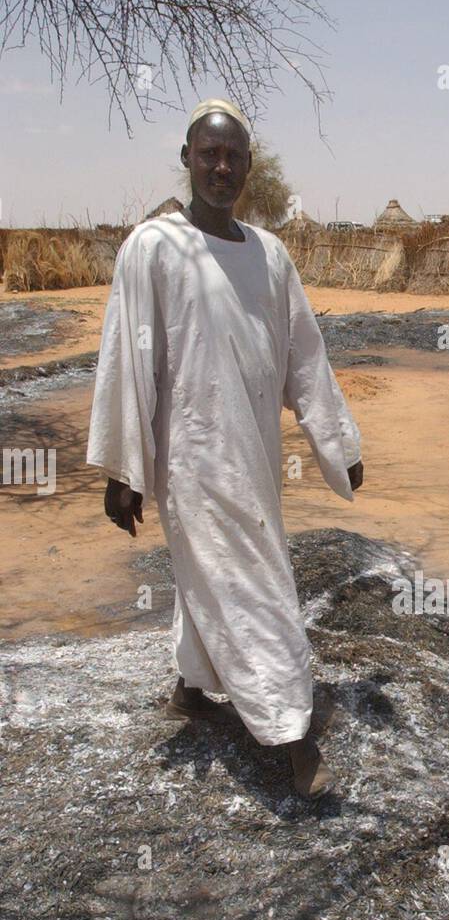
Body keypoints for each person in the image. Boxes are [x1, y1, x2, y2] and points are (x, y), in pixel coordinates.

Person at [87, 98, 363, 798]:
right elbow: (127, 358)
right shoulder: (152, 247)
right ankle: (292, 730)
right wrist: (126, 469)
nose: (221, 166)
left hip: (256, 456)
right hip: (191, 459)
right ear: (186, 158)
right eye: (208, 153)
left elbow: (305, 354)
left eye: (234, 156)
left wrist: (334, 439)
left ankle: (191, 687)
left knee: (213, 577)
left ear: (248, 167)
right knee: (255, 582)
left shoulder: (270, 255)